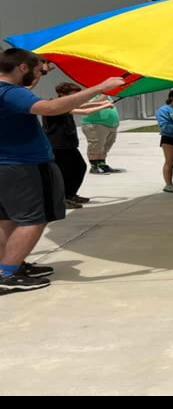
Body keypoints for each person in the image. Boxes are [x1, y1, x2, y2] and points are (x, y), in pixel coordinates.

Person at [0, 48, 123, 293]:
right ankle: (7, 273)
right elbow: (50, 107)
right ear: (23, 68)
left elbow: (37, 93)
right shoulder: (11, 93)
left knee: (7, 219)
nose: (39, 75)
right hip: (25, 166)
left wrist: (42, 68)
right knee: (34, 219)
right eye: (37, 70)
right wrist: (99, 86)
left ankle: (9, 265)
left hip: (6, 167)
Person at [42, 82, 116, 209]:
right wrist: (102, 106)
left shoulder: (65, 103)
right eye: (73, 95)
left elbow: (82, 105)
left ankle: (70, 195)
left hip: (68, 144)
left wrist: (101, 104)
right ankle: (63, 199)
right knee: (65, 172)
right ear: (62, 94)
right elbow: (85, 111)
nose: (75, 97)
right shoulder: (56, 105)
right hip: (58, 145)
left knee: (79, 168)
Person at [81, 93, 123, 174]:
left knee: (105, 146)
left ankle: (102, 165)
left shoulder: (104, 94)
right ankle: (94, 167)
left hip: (111, 125)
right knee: (96, 146)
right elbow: (87, 106)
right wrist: (104, 95)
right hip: (96, 124)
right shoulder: (88, 94)